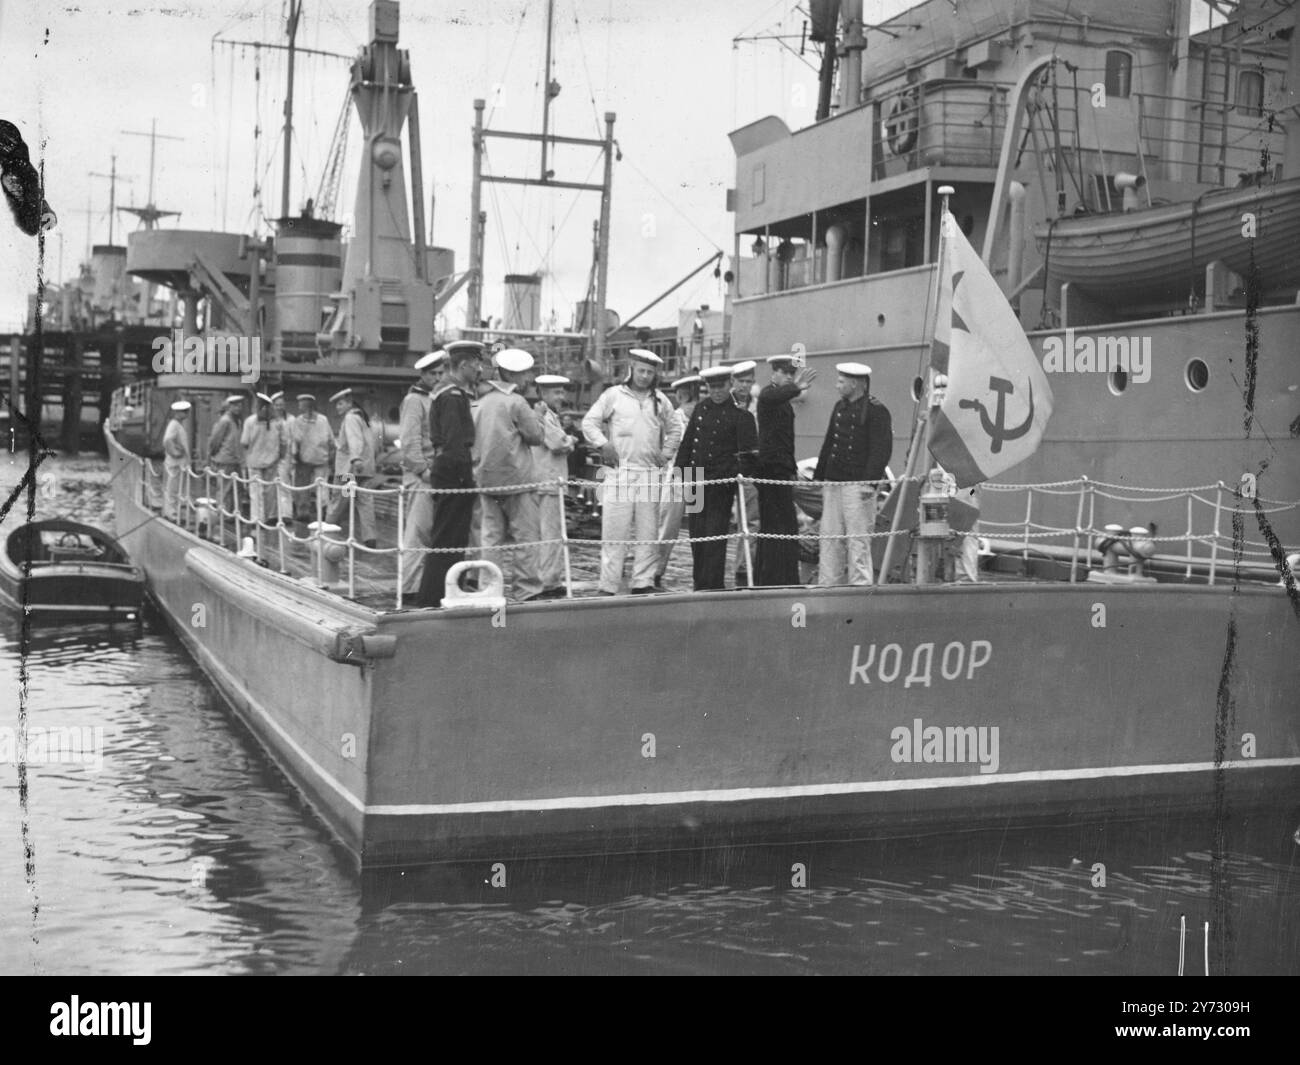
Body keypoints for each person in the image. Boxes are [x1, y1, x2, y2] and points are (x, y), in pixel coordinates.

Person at [581, 349, 679, 595]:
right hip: (619, 472)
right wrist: (603, 444)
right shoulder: (613, 396)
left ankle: (643, 582)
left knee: (648, 531)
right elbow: (589, 422)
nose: (645, 376)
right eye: (641, 370)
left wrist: (666, 454)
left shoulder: (661, 401)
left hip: (648, 473)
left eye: (650, 372)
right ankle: (608, 585)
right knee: (615, 531)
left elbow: (675, 429)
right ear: (631, 369)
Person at [674, 364, 757, 591]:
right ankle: (699, 582)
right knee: (697, 535)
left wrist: (730, 474)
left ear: (729, 385)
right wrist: (680, 474)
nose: (717, 392)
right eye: (712, 387)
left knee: (714, 536)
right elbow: (688, 443)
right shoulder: (701, 409)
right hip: (695, 479)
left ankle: (713, 585)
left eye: (721, 387)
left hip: (720, 484)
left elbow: (749, 457)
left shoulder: (740, 415)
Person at [475, 348, 546, 602]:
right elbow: (536, 437)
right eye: (524, 374)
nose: (527, 378)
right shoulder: (517, 402)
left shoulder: (481, 402)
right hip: (519, 481)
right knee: (525, 538)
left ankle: (488, 590)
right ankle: (526, 591)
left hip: (486, 481)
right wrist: (538, 417)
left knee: (490, 539)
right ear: (512, 375)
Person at [416, 341, 484, 607]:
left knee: (446, 535)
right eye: (477, 364)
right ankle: (437, 596)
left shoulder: (442, 391)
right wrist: (466, 478)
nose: (479, 369)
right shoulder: (454, 396)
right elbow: (456, 442)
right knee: (450, 537)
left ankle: (437, 593)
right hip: (455, 469)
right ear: (464, 365)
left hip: (445, 468)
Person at [814, 362, 893, 586]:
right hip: (834, 482)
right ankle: (828, 585)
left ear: (855, 383)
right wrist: (819, 477)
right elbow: (830, 442)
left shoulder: (877, 410)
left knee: (858, 540)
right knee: (830, 538)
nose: (837, 385)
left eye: (841, 381)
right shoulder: (840, 407)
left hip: (857, 486)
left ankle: (860, 588)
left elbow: (881, 449)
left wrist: (869, 483)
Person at [755, 355, 817, 585]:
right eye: (787, 373)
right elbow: (774, 395)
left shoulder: (783, 400)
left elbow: (787, 441)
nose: (791, 377)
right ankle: (769, 579)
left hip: (782, 472)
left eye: (792, 374)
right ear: (775, 373)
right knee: (774, 527)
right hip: (770, 473)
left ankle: (784, 577)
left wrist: (791, 469)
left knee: (787, 526)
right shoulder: (768, 395)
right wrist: (796, 387)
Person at [398, 350, 445, 595]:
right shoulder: (415, 400)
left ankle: (425, 585)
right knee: (417, 533)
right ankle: (409, 588)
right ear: (423, 375)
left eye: (440, 373)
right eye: (433, 374)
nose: (437, 377)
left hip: (436, 476)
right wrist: (423, 470)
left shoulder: (433, 398)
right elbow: (409, 441)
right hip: (422, 477)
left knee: (430, 533)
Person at [653, 374, 702, 588]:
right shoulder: (674, 418)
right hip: (678, 473)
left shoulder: (702, 416)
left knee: (699, 528)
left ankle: (701, 573)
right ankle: (656, 570)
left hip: (698, 473)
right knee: (668, 525)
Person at [531, 374, 578, 598]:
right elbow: (557, 443)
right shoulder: (544, 415)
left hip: (548, 481)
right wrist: (571, 441)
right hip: (547, 482)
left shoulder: (548, 415)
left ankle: (548, 577)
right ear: (543, 393)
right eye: (557, 392)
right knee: (550, 533)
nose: (562, 396)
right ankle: (547, 581)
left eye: (562, 391)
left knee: (550, 532)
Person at [329, 387, 377, 547]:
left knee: (339, 500)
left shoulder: (350, 418)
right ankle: (370, 539)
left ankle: (325, 531)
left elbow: (354, 439)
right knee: (365, 503)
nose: (338, 407)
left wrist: (356, 458)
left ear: (349, 403)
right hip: (366, 471)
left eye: (340, 403)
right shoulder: (362, 417)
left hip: (348, 472)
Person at [728, 359, 760, 584]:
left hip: (747, 471)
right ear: (733, 381)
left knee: (750, 521)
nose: (744, 386)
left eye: (748, 381)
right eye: (740, 381)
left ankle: (742, 569)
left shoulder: (757, 405)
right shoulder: (722, 402)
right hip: (723, 469)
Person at [242, 392, 287, 527]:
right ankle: (271, 516)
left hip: (254, 461)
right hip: (272, 462)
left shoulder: (250, 421)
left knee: (255, 492)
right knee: (271, 490)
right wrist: (280, 456)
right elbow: (284, 442)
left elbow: (244, 442)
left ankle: (256, 518)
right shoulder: (279, 422)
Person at [291, 393, 332, 521]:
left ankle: (303, 513)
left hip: (306, 460)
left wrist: (295, 456)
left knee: (303, 488)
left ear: (305, 405)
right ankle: (324, 513)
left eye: (300, 403)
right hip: (320, 459)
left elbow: (295, 441)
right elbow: (330, 439)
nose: (298, 405)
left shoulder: (298, 421)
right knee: (322, 487)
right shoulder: (323, 419)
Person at [206, 394, 245, 519]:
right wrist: (213, 455)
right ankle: (222, 514)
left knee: (237, 489)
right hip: (225, 459)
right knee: (225, 489)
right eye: (235, 406)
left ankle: (233, 513)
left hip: (235, 459)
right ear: (230, 407)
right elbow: (215, 440)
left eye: (240, 405)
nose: (238, 408)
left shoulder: (237, 420)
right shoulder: (225, 420)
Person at [161, 400, 191, 521]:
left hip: (177, 463)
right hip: (176, 463)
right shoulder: (174, 425)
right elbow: (167, 440)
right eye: (184, 412)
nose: (186, 414)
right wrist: (175, 453)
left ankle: (171, 511)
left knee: (175, 488)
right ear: (178, 413)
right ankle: (171, 513)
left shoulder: (176, 424)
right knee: (173, 488)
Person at [269, 391, 295, 522]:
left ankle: (286, 514)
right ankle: (272, 514)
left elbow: (294, 439)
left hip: (286, 457)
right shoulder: (269, 420)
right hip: (270, 458)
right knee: (271, 487)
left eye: (281, 404)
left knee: (285, 484)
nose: (279, 407)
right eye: (276, 405)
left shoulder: (291, 420)